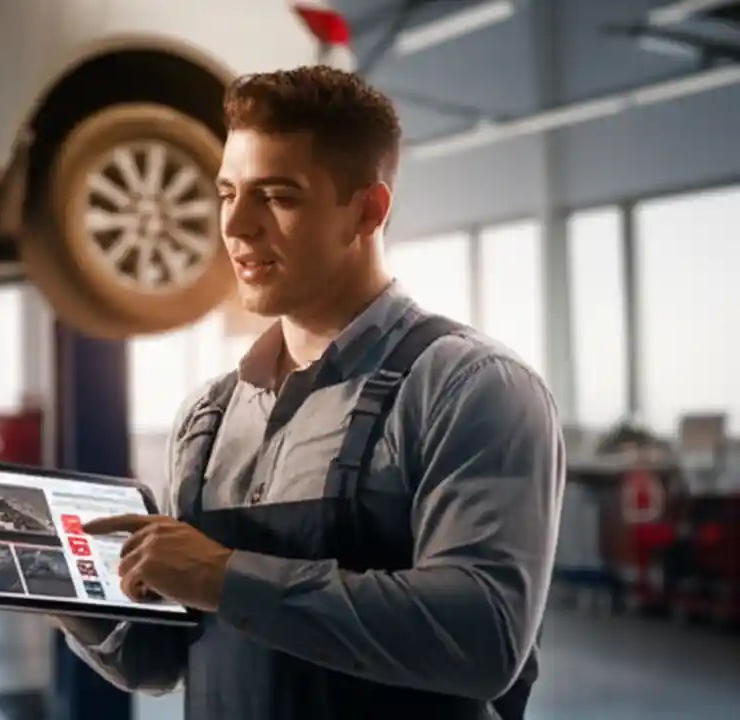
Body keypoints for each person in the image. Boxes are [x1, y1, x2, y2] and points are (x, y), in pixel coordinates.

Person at [57, 66, 566, 719]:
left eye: (277, 195)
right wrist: (65, 591)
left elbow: (483, 639)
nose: (237, 225)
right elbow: (166, 661)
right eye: (226, 192)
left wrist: (222, 575)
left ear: (368, 209)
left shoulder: (471, 390)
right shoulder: (209, 416)